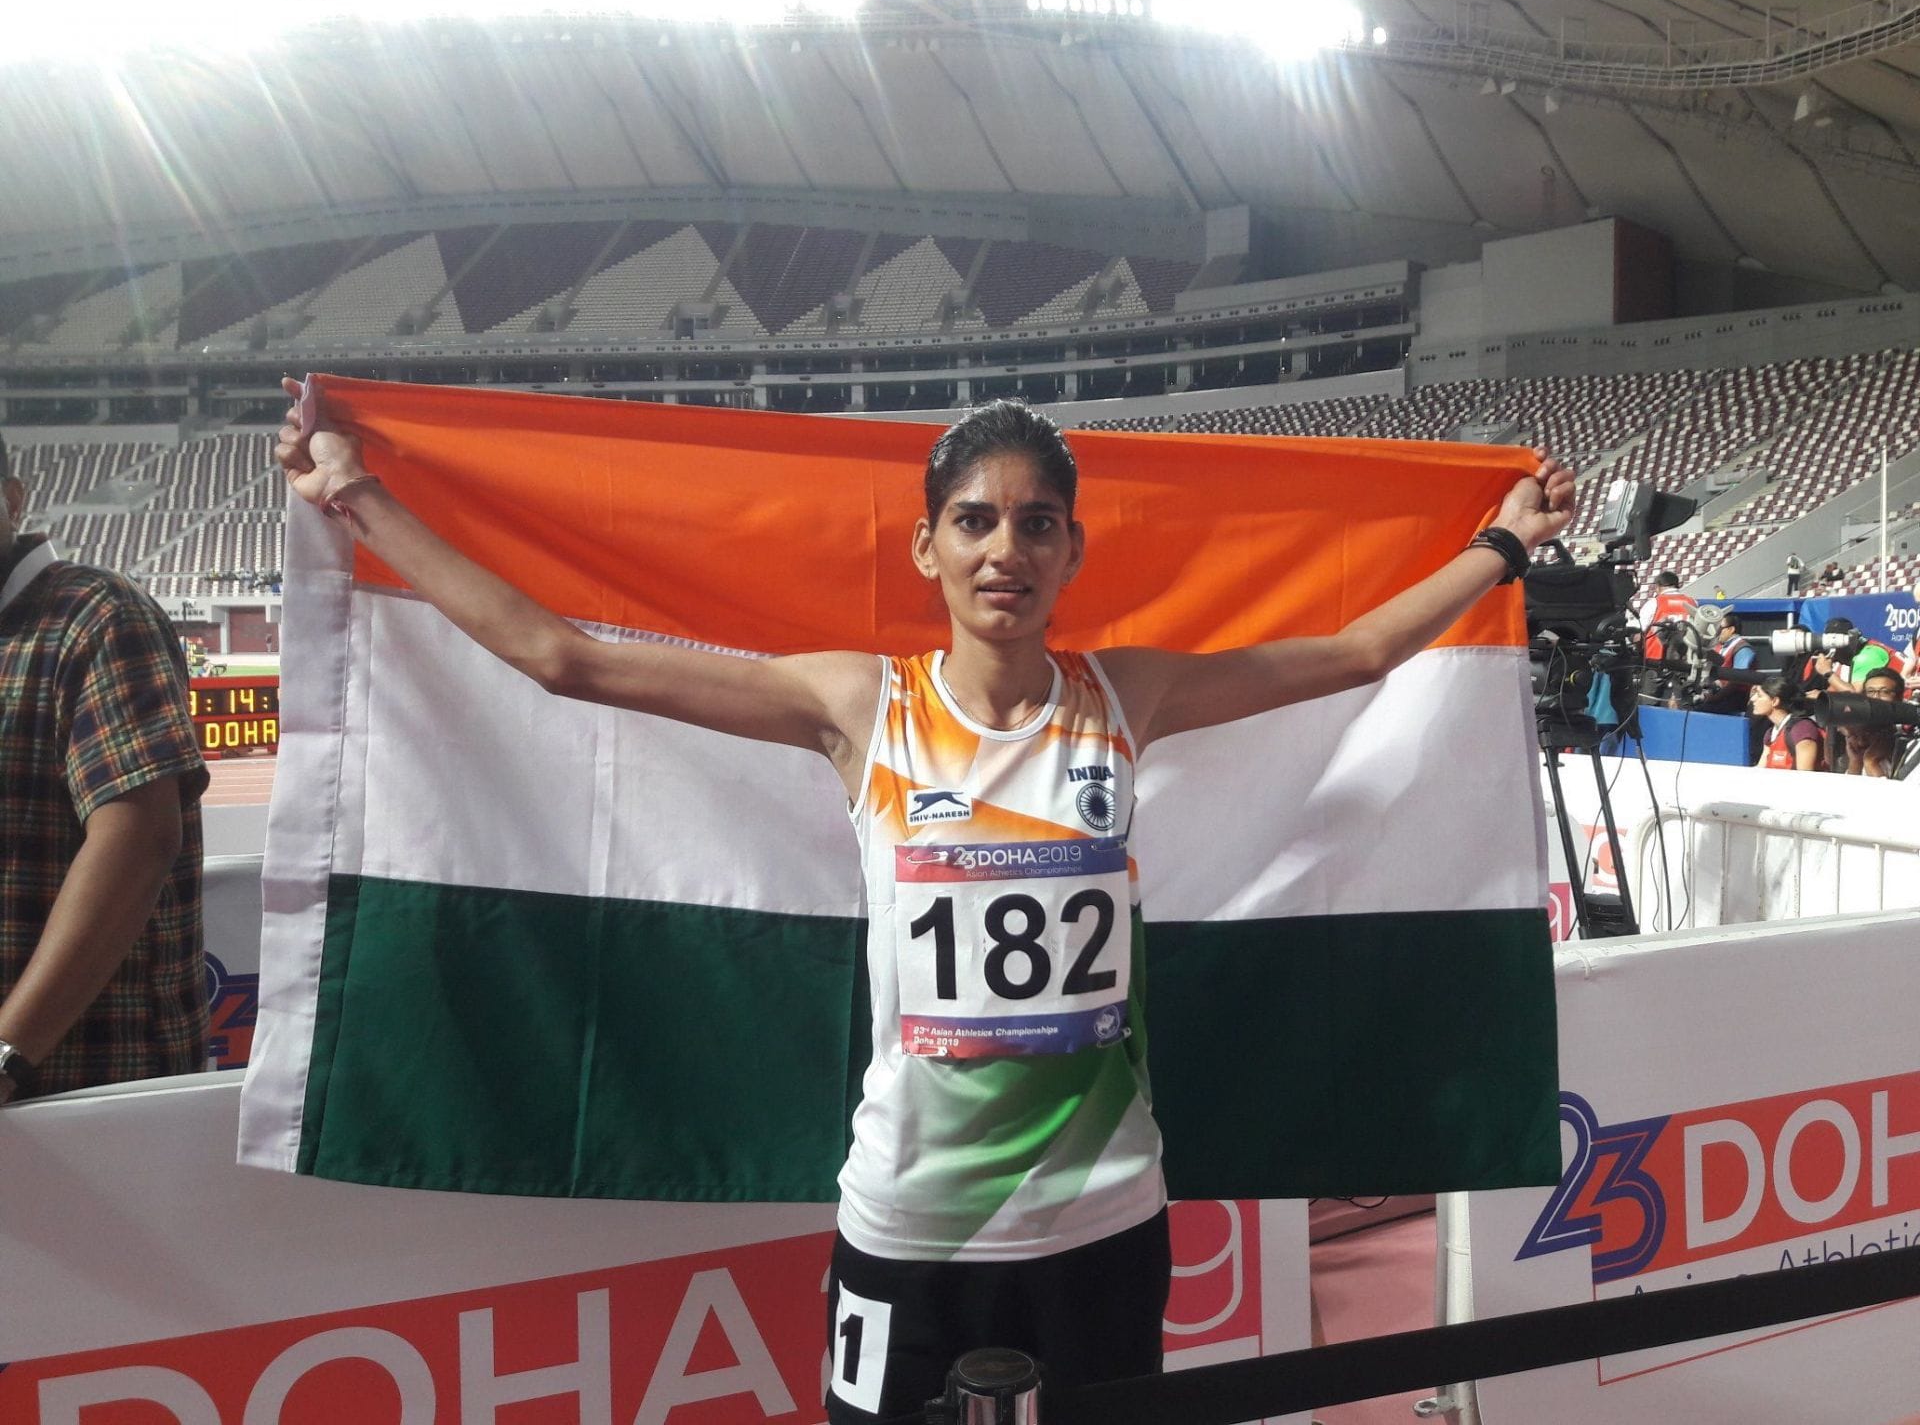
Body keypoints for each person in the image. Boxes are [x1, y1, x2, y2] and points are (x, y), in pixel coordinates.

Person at [274, 382, 1575, 1422]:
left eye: (1036, 523)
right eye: (975, 520)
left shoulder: (1128, 696)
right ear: (927, 544)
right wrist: (358, 495)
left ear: (1071, 547)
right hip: (913, 1226)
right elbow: (566, 658)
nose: (1005, 549)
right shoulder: (863, 706)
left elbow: (1355, 652)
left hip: (1102, 1219)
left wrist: (1504, 545)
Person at [0, 434, 209, 1105]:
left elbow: (137, 841)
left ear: (12, 501)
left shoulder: (96, 614)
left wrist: (6, 1054)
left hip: (81, 1097)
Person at [1835, 668, 1908, 779]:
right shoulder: (1858, 730)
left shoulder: (1907, 734)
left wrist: (1871, 762)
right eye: (1870, 692)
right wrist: (1856, 762)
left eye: (1884, 692)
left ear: (1899, 697)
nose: (1876, 697)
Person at [1751, 677, 1824, 771]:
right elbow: (1760, 770)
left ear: (1775, 701)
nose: (1753, 699)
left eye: (1759, 695)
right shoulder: (1770, 734)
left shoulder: (1803, 729)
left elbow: (1805, 775)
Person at [1693, 613, 1756, 716]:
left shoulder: (1743, 649)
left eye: (1719, 628)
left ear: (1731, 629)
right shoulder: (1718, 647)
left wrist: (1714, 698)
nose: (1716, 632)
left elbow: (1737, 681)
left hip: (1735, 699)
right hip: (1717, 694)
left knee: (1699, 712)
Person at [1637, 571, 1694, 665]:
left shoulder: (1653, 603)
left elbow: (1640, 632)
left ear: (1658, 587)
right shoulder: (1692, 602)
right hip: (1686, 661)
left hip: (1655, 661)